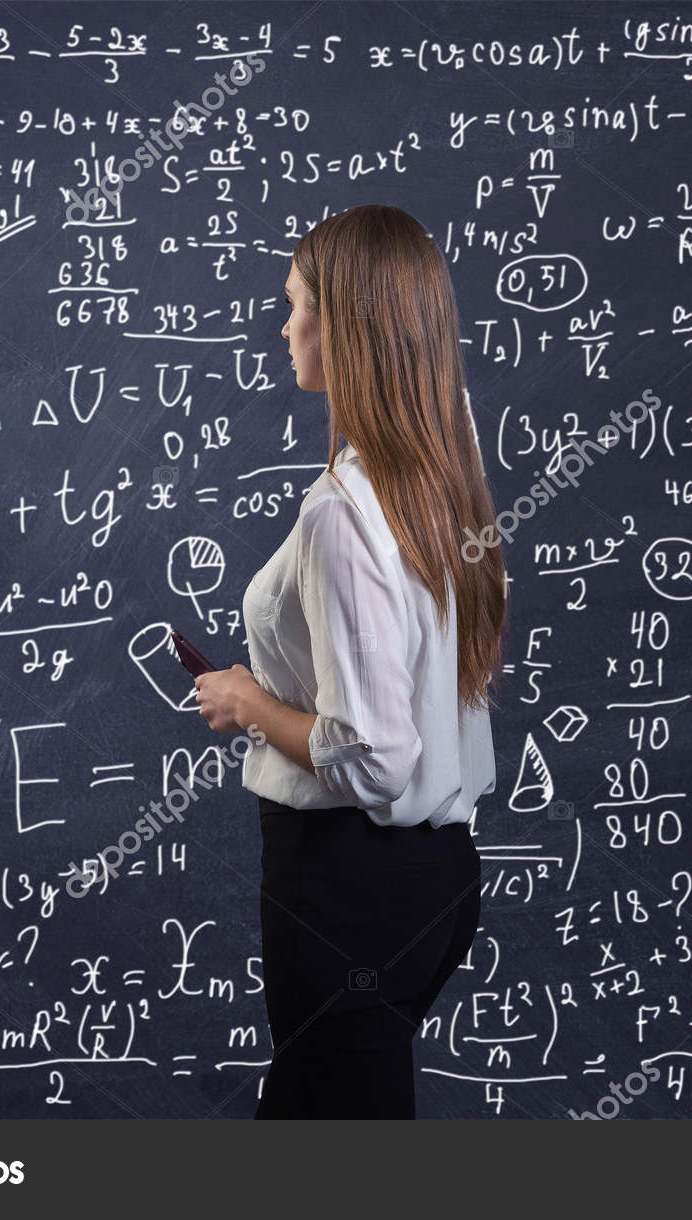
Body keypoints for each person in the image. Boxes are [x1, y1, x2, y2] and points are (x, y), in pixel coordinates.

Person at [191, 204, 508, 1118]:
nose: (285, 327)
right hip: (434, 880)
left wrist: (249, 703)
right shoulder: (445, 469)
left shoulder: (342, 511)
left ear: (351, 330)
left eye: (300, 307)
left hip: (344, 889)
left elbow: (376, 756)